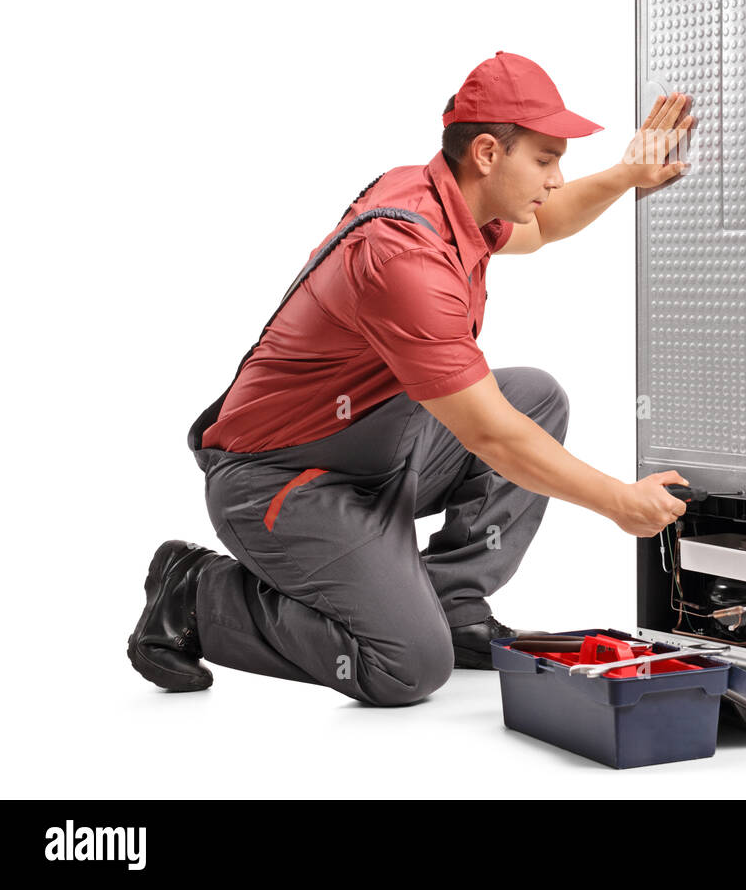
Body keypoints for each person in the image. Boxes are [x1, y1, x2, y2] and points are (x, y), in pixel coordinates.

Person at [127, 51, 695, 706]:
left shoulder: (443, 192)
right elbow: (490, 437)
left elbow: (541, 225)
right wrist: (620, 503)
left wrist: (629, 172)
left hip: (371, 447)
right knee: (406, 667)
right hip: (281, 482)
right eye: (545, 159)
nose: (556, 177)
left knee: (534, 398)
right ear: (487, 151)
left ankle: (451, 603)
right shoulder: (403, 255)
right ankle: (197, 593)